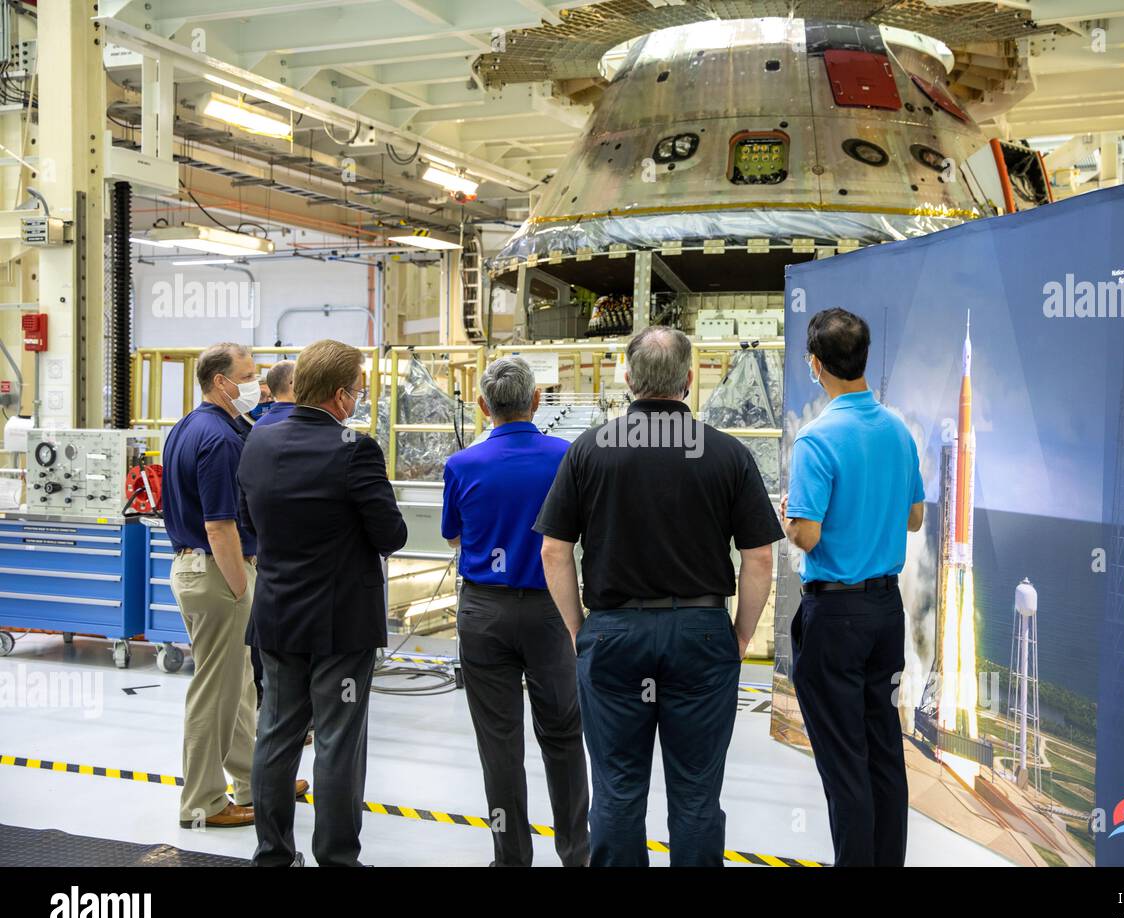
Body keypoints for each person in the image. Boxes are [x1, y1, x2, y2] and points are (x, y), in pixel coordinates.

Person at [536, 326, 782, 867]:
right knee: (696, 793)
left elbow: (555, 551)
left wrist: (581, 631)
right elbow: (760, 557)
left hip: (614, 636)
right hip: (700, 635)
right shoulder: (727, 454)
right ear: (689, 381)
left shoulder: (589, 451)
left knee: (618, 789)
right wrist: (739, 634)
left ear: (628, 379)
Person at [239, 339, 407, 867]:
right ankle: (337, 857)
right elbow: (391, 535)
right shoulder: (354, 449)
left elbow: (250, 526)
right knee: (337, 739)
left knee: (276, 733)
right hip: (340, 625)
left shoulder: (257, 444)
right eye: (357, 390)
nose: (358, 399)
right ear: (340, 395)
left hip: (276, 614)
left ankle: (272, 854)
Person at [781, 307, 924, 867]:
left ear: (816, 366)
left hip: (835, 618)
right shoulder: (898, 431)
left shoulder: (817, 440)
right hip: (885, 612)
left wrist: (790, 518)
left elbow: (808, 537)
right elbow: (913, 519)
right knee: (884, 754)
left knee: (844, 765)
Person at [441, 356, 590, 868]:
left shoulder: (462, 465)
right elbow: (578, 535)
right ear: (537, 401)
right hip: (551, 610)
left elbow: (456, 534)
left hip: (484, 612)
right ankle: (576, 852)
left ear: (483, 406)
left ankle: (510, 858)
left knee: (498, 741)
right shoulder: (566, 456)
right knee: (564, 734)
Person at [162, 342, 305, 829]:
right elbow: (219, 526)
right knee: (216, 692)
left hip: (194, 568)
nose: (257, 385)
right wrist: (242, 588)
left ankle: (254, 781)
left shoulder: (189, 426)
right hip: (219, 572)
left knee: (238, 685)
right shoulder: (220, 440)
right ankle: (202, 801)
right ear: (221, 382)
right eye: (247, 376)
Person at [248, 359, 297, 711]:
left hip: (266, 564)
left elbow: (244, 510)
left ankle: (266, 707)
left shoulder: (255, 431)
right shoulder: (324, 431)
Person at [251, 360, 295, 429]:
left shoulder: (285, 422)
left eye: (272, 395)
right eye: (261, 396)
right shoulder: (238, 428)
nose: (268, 400)